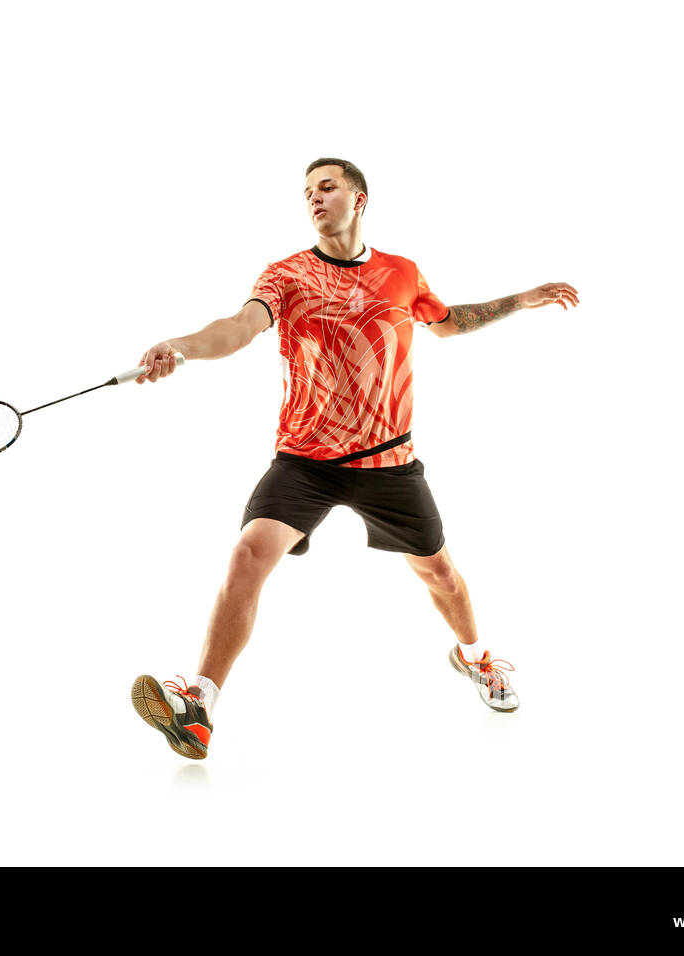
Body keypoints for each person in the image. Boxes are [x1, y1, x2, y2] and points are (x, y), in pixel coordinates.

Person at [129, 158, 579, 760]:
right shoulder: (287, 275)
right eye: (307, 192)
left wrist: (519, 300)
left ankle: (476, 658)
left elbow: (448, 323)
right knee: (248, 553)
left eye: (327, 187)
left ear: (359, 199)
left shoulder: (402, 272)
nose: (315, 199)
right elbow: (237, 327)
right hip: (305, 461)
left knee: (440, 574)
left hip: (387, 464)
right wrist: (180, 347)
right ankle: (200, 706)